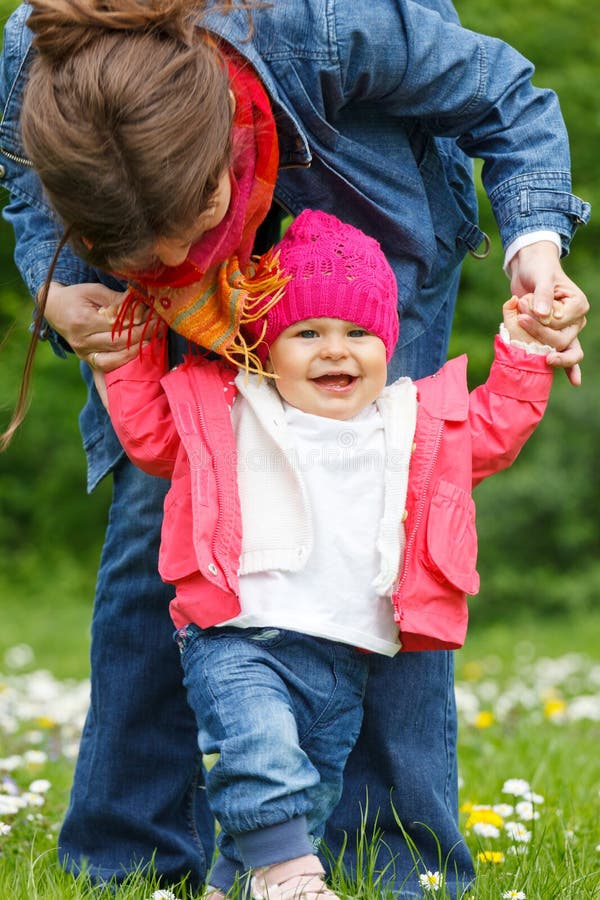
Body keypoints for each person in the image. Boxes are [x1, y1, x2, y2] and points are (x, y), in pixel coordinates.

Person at [0, 0, 590, 895]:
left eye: (195, 229)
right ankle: (133, 860)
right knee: (160, 528)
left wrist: (535, 250)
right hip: (149, 301)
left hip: (362, 271)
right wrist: (59, 287)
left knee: (391, 529)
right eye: (150, 249)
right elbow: (24, 183)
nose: (184, 256)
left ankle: (389, 857)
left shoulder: (320, 20)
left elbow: (504, 95)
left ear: (223, 142)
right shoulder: (34, 49)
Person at [104, 209, 556, 899]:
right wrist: (128, 349)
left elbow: (495, 429)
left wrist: (523, 350)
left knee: (306, 798)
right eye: (306, 333)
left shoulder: (407, 424)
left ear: (388, 345)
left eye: (358, 334)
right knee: (262, 757)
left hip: (347, 657)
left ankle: (241, 882)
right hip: (238, 637)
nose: (334, 350)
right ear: (265, 349)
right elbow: (147, 437)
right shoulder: (237, 409)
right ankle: (290, 879)